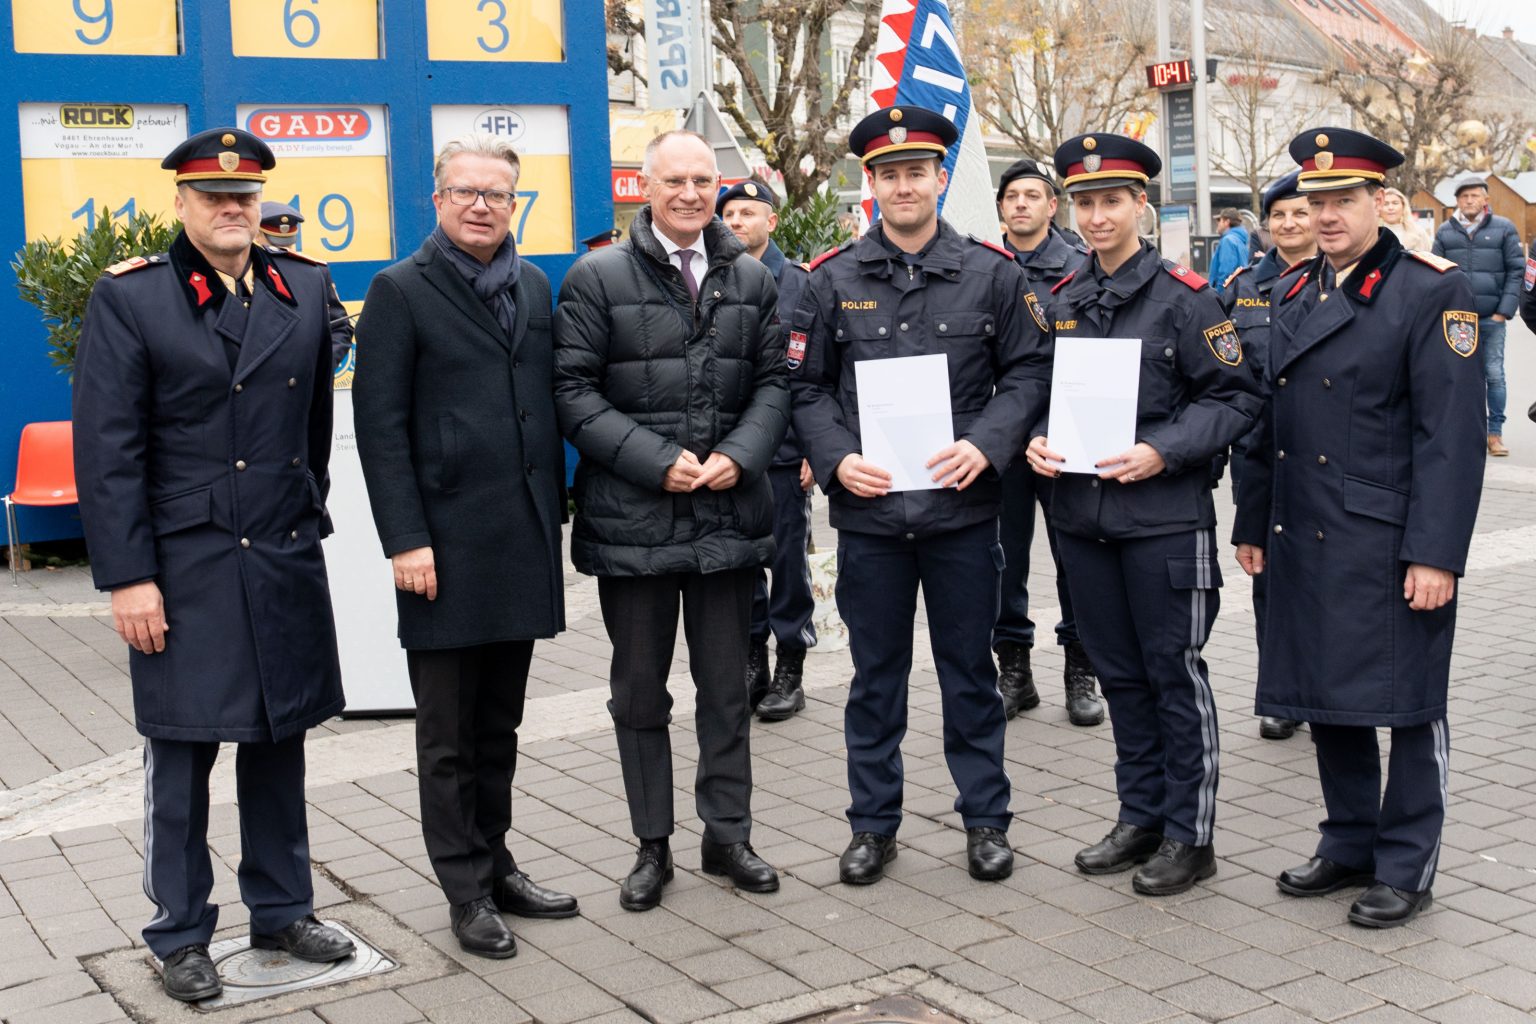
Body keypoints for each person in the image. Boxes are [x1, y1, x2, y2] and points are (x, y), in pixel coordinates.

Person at [72, 127, 355, 1003]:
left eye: (244, 197)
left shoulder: (302, 288)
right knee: (183, 754)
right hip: (184, 565)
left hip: (278, 551)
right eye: (212, 197)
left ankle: (282, 908)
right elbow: (108, 450)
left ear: (261, 200)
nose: (231, 209)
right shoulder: (134, 299)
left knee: (280, 744)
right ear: (182, 203)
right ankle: (181, 933)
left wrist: (306, 515)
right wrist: (128, 577)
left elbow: (311, 432)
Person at [790, 106, 1051, 886]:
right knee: (875, 680)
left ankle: (986, 822)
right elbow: (803, 389)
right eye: (889, 174)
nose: (904, 186)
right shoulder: (827, 279)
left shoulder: (993, 274)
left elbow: (1031, 373)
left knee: (970, 673)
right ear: (870, 185)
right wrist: (836, 461)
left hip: (962, 513)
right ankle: (873, 825)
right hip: (870, 519)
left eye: (917, 172)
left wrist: (986, 443)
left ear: (941, 178)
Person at [1234, 128, 1484, 929]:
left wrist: (1437, 555)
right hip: (1304, 530)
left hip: (1390, 539)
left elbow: (1449, 442)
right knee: (1325, 693)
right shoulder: (1293, 291)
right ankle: (1349, 841)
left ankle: (1407, 863)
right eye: (1317, 201)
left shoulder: (1431, 292)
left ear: (1381, 201)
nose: (1329, 215)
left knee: (1409, 705)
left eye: (1345, 200)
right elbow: (1271, 421)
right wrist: (1251, 522)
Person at [353, 134, 576, 959]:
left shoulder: (535, 283)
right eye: (465, 192)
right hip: (441, 548)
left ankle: (499, 858)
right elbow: (378, 429)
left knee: (500, 723)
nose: (481, 205)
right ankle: (465, 888)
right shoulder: (399, 290)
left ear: (515, 203)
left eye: (498, 194)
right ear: (437, 200)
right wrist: (405, 539)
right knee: (445, 734)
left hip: (517, 537)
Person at [554, 129, 788, 912]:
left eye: (702, 179)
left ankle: (729, 835)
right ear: (644, 188)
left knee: (726, 691)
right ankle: (652, 846)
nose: (690, 193)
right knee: (640, 696)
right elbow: (573, 393)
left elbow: (776, 385)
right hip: (635, 522)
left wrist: (743, 453)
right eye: (673, 180)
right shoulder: (596, 276)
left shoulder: (751, 279)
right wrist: (656, 460)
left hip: (725, 513)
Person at [1027, 134, 1260, 896]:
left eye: (1111, 201)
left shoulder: (1188, 299)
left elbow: (1235, 398)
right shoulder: (1060, 300)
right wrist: (1034, 440)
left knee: (1172, 675)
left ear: (1141, 207)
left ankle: (1191, 836)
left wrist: (1162, 449)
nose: (1097, 216)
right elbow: (1036, 396)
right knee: (1121, 676)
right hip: (1083, 521)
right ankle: (1141, 815)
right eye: (1085, 202)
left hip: (1162, 519)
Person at [991, 158, 1102, 726]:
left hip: (1067, 440)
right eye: (1012, 196)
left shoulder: (1082, 269)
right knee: (1003, 561)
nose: (1021, 204)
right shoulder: (980, 267)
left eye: (1033, 195)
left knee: (1074, 559)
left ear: (1052, 205)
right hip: (1003, 441)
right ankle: (1014, 669)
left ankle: (1081, 668)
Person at [1220, 171, 1316, 742]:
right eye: (1279, 215)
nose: (1289, 224)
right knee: (1268, 581)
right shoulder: (1240, 286)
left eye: (1300, 213)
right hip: (1259, 457)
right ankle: (1281, 692)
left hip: (1325, 455)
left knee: (1327, 578)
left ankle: (1326, 688)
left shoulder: (1342, 282)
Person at [718, 178, 816, 722]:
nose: (735, 222)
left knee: (786, 562)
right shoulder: (716, 280)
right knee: (740, 563)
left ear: (771, 221)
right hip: (730, 452)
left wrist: (814, 451)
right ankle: (751, 658)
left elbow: (813, 375)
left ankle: (790, 664)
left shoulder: (800, 284)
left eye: (747, 212)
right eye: (728, 213)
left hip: (783, 453)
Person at [1432, 176, 1522, 457]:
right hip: (1456, 320)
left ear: (1486, 200)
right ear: (1457, 201)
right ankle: (1466, 434)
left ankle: (1495, 434)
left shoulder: (1504, 228)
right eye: (1463, 196)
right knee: (1458, 378)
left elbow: (1515, 270)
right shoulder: (1445, 231)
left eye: (1474, 196)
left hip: (1491, 319)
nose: (1469, 201)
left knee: (1494, 376)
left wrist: (1503, 312)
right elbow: (1435, 273)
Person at [259, 201, 355, 370]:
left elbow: (340, 326)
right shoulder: (243, 271)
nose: (282, 253)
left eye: (286, 245)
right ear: (255, 234)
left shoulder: (315, 271)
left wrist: (320, 370)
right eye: (274, 246)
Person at [1208, 208, 1250, 295]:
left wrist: (1219, 297)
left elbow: (1226, 273)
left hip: (1226, 296)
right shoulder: (1240, 241)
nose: (1218, 224)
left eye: (1219, 220)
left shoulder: (1228, 241)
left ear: (1227, 222)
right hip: (1238, 292)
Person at [1378, 187, 1430, 251]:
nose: (1390, 208)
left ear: (1403, 206)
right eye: (1385, 204)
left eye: (1395, 203)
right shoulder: (1372, 235)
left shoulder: (1419, 233)